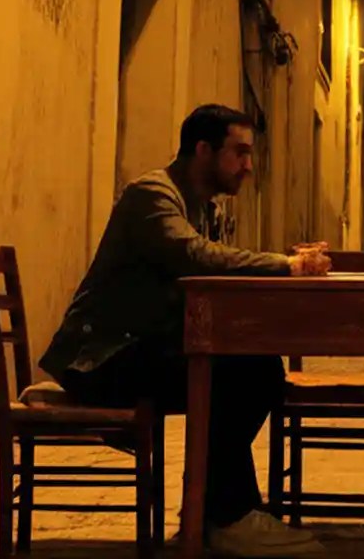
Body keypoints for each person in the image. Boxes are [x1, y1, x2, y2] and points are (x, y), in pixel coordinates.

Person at [38, 104, 330, 557]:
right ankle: (226, 517)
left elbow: (210, 258)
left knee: (252, 369)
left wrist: (281, 263)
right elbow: (194, 256)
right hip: (100, 359)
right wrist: (285, 265)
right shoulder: (152, 194)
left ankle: (215, 512)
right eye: (240, 152)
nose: (249, 166)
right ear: (203, 150)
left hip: (134, 351)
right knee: (245, 376)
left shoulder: (197, 206)